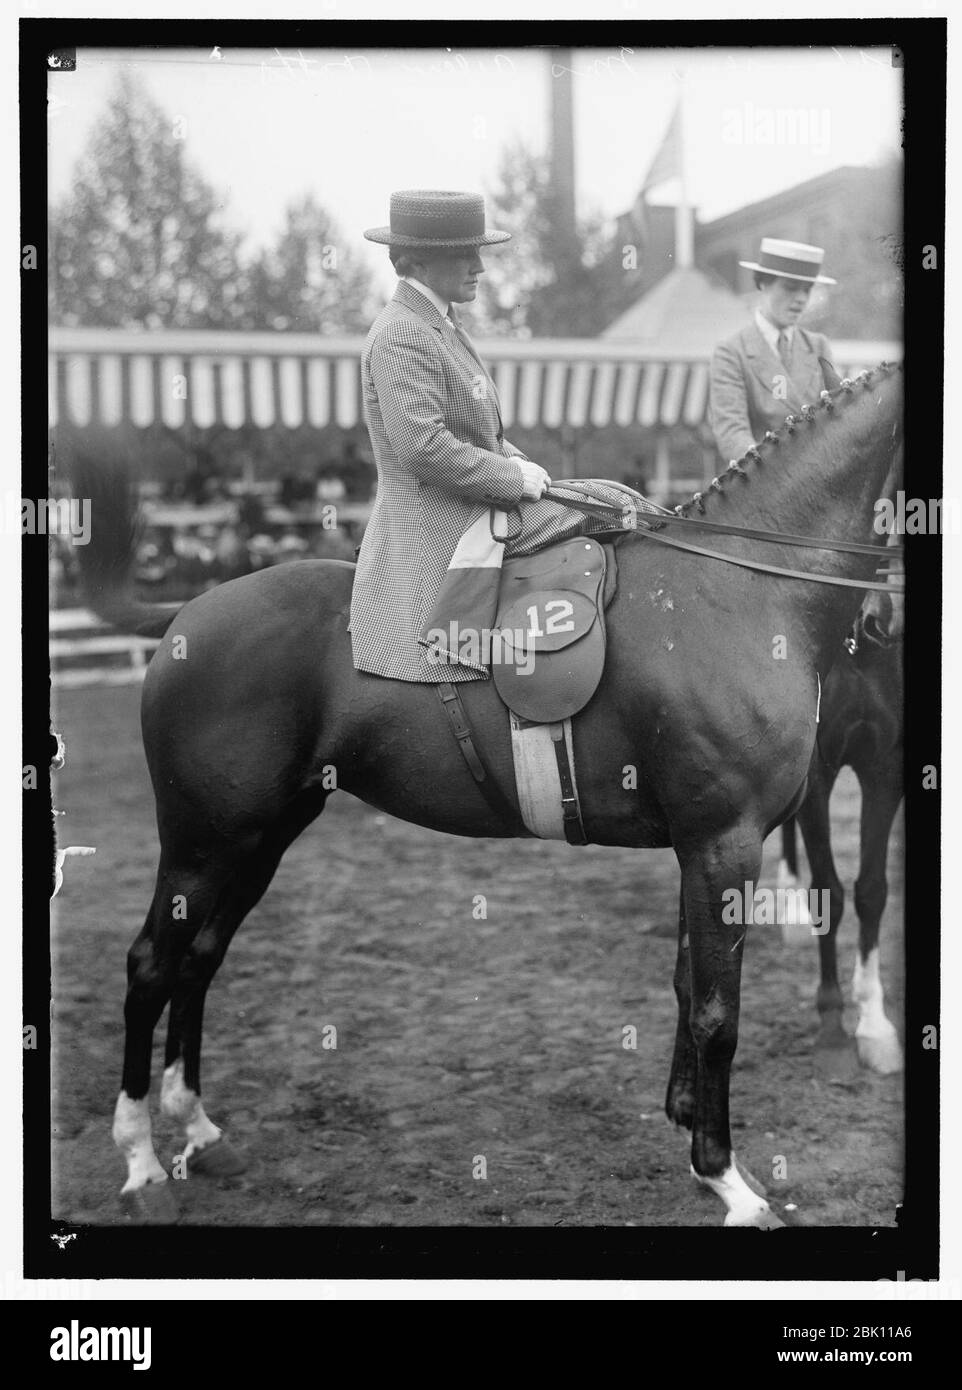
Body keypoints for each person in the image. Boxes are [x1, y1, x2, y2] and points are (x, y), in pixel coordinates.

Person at [350, 189, 619, 684]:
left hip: (474, 501)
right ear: (422, 260)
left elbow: (479, 432)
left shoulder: (441, 325)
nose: (479, 266)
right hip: (442, 522)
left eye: (478, 252)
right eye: (464, 253)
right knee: (613, 511)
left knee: (614, 498)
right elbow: (423, 447)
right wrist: (513, 477)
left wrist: (522, 466)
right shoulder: (401, 333)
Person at [709, 238, 838, 465]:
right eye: (790, 288)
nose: (800, 299)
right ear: (762, 284)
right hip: (761, 486)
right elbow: (732, 434)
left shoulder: (819, 346)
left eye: (807, 290)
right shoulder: (731, 352)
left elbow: (836, 419)